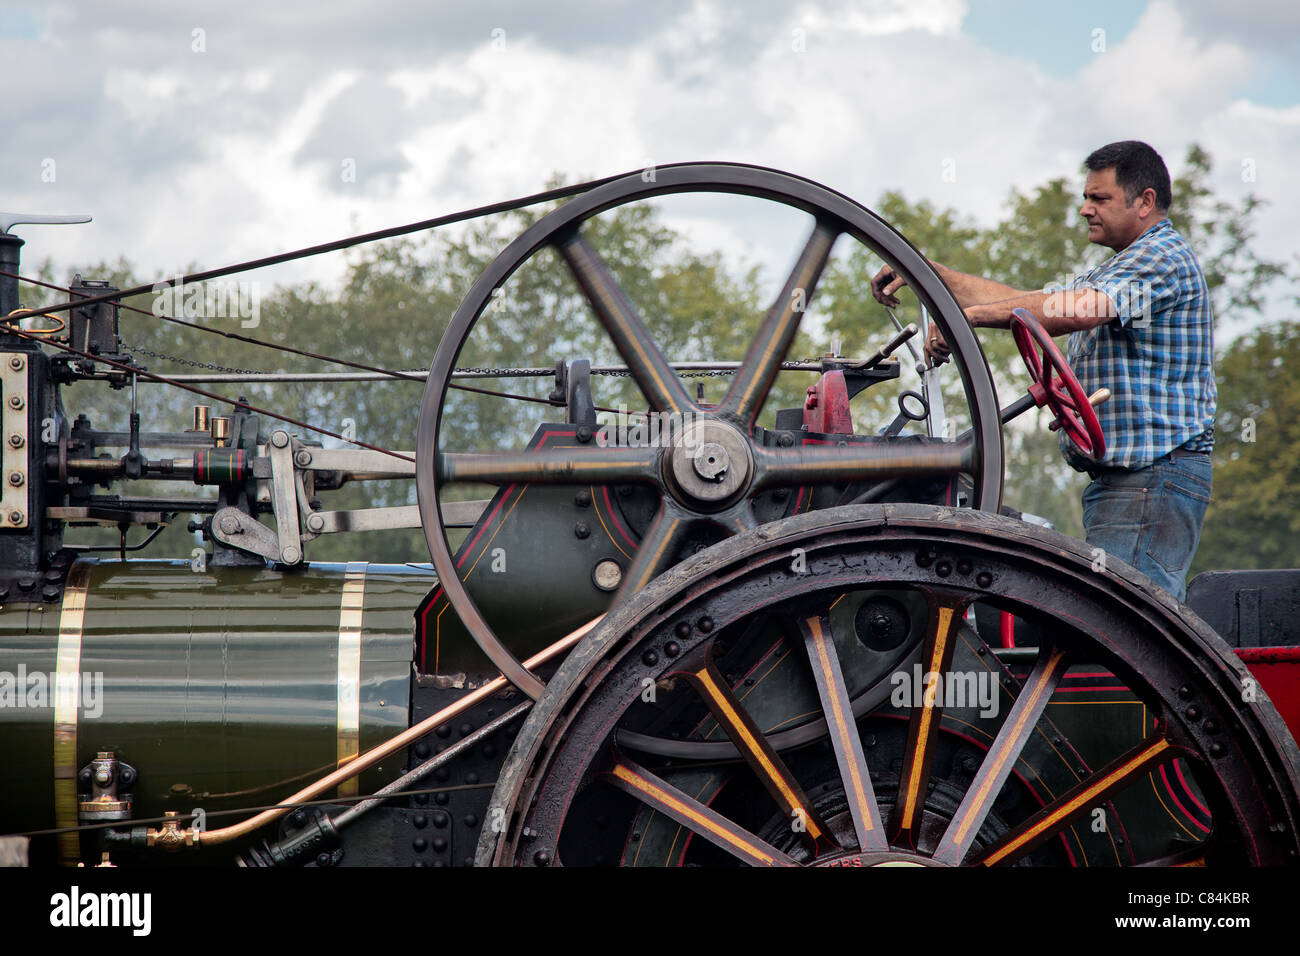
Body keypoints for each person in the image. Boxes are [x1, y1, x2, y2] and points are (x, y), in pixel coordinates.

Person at [870, 140, 1215, 601]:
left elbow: (1075, 310)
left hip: (1151, 481)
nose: (1084, 209)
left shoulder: (1161, 258)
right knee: (1113, 621)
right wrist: (928, 274)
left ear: (1145, 202)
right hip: (1134, 484)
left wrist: (966, 320)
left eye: (1099, 198)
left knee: (1123, 628)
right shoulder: (1122, 267)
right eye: (1086, 197)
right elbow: (1027, 300)